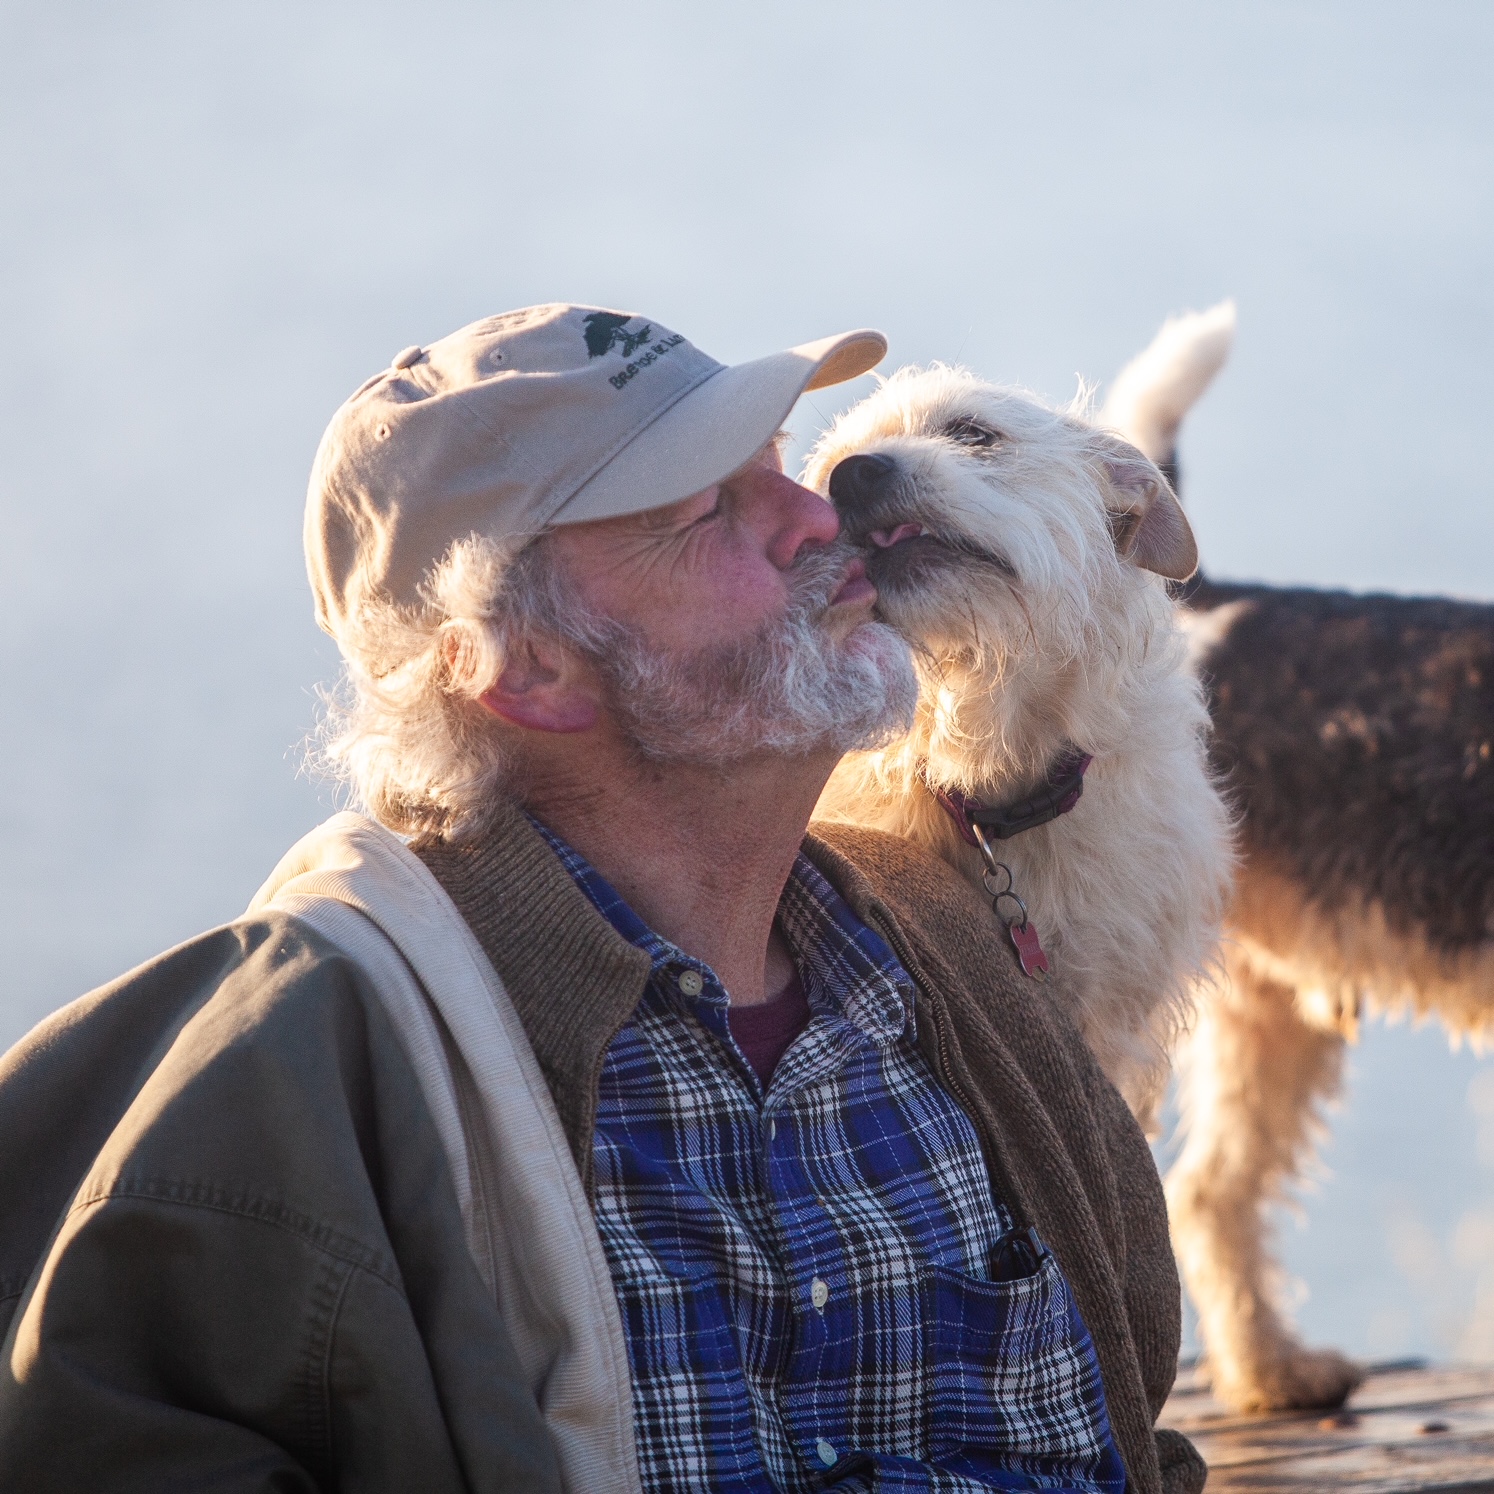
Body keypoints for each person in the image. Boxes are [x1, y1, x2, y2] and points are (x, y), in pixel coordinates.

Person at [0, 304, 1203, 1494]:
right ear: (525, 667)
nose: (819, 518)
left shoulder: (958, 960)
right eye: (701, 512)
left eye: (778, 471)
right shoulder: (299, 1058)